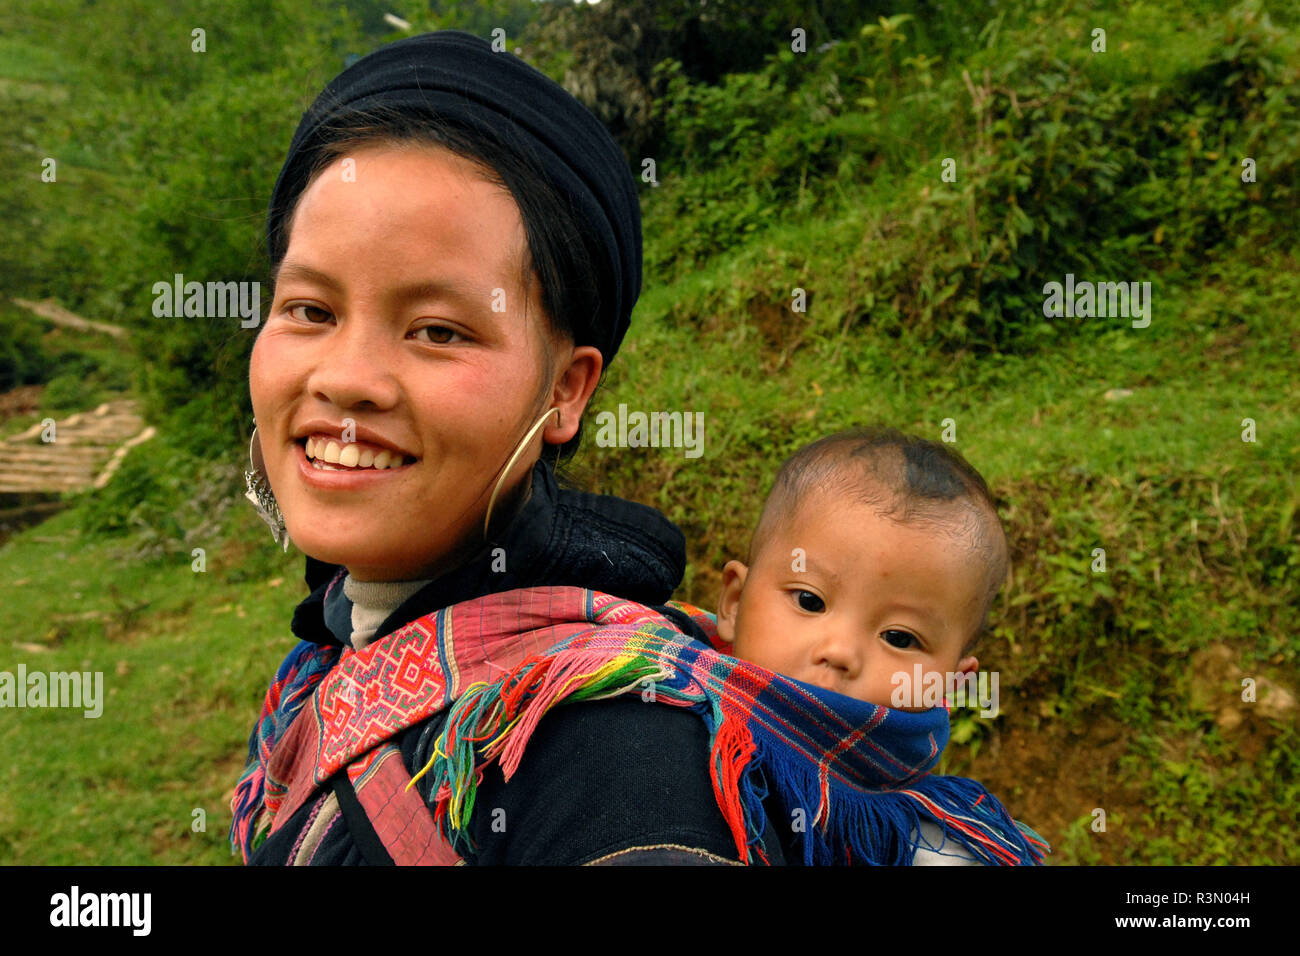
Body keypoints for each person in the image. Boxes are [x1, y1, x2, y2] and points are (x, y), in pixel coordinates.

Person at [230, 30, 1044, 866]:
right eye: (310, 310)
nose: (348, 377)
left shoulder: (621, 758)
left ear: (566, 391)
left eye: (438, 330)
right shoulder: (332, 653)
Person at [714, 425, 1037, 864]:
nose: (841, 651)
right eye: (810, 601)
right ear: (734, 603)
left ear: (948, 684)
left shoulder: (936, 846)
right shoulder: (656, 705)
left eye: (899, 638)